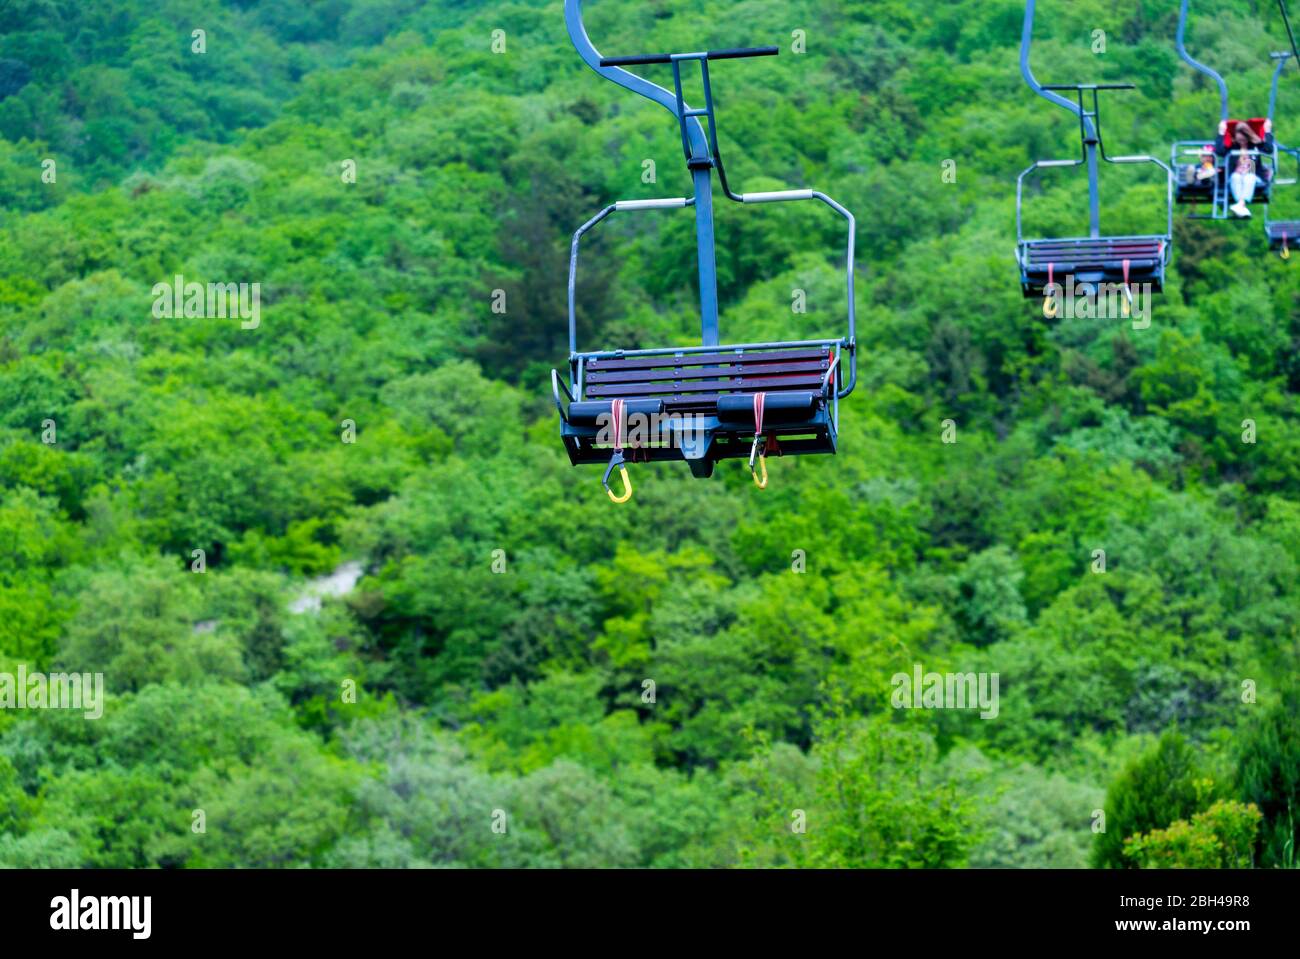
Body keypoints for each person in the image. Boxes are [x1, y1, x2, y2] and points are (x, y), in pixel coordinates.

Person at [1217, 119, 1272, 217]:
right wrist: (1221, 132)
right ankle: (1241, 206)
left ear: (1248, 137)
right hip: (1237, 175)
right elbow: (1219, 151)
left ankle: (1240, 204)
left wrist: (1267, 131)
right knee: (1235, 177)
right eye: (1239, 140)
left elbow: (1268, 149)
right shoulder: (1233, 147)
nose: (1241, 142)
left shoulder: (1255, 146)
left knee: (1249, 177)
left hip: (1253, 174)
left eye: (1244, 140)